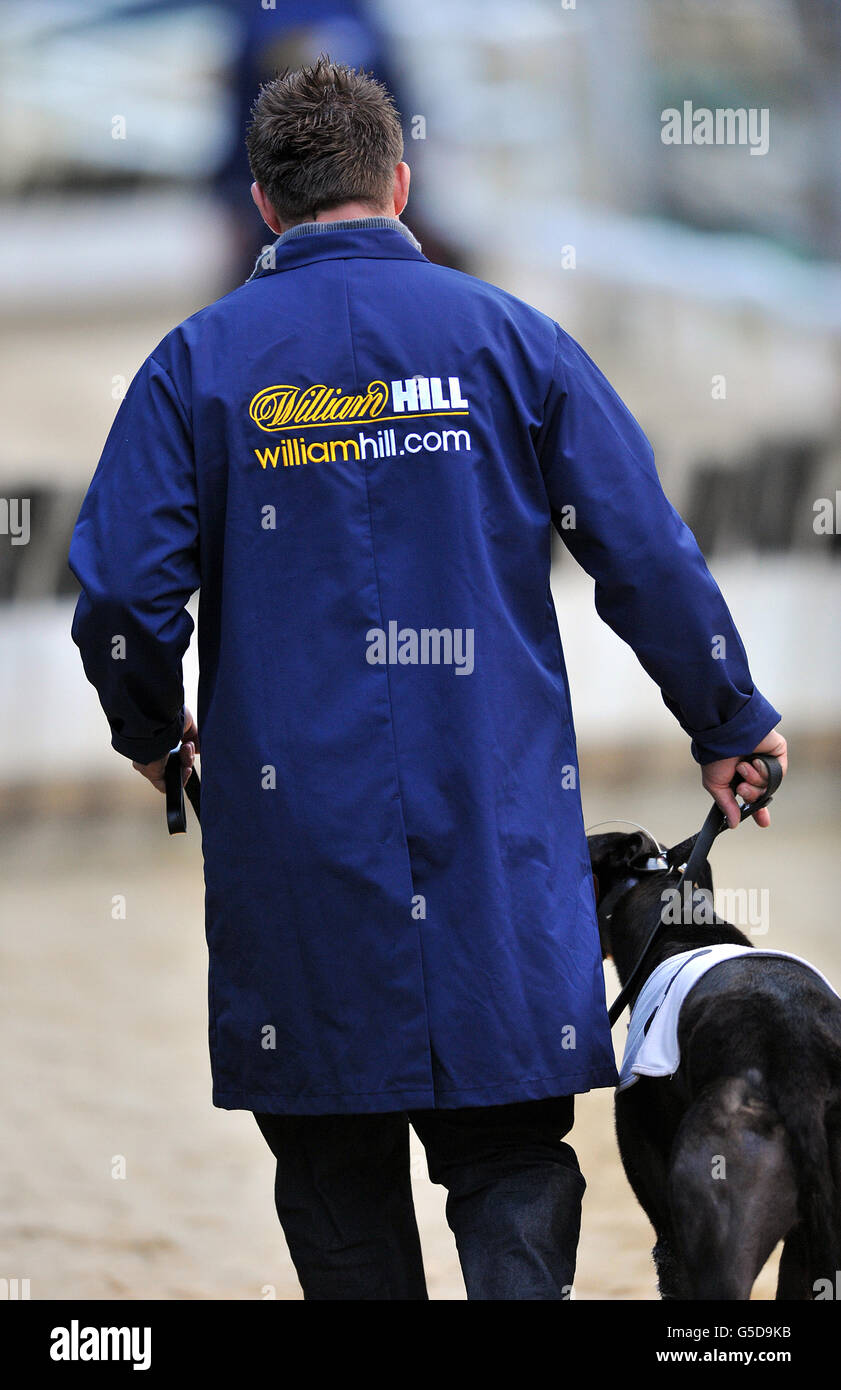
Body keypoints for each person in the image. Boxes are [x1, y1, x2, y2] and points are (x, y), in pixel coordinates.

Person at [68, 58, 787, 1301]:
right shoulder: (512, 339)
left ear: (262, 203)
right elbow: (644, 549)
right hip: (494, 836)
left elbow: (127, 600)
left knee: (333, 1163)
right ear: (399, 180)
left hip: (299, 850)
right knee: (509, 1152)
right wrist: (724, 717)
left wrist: (151, 732)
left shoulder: (198, 365)